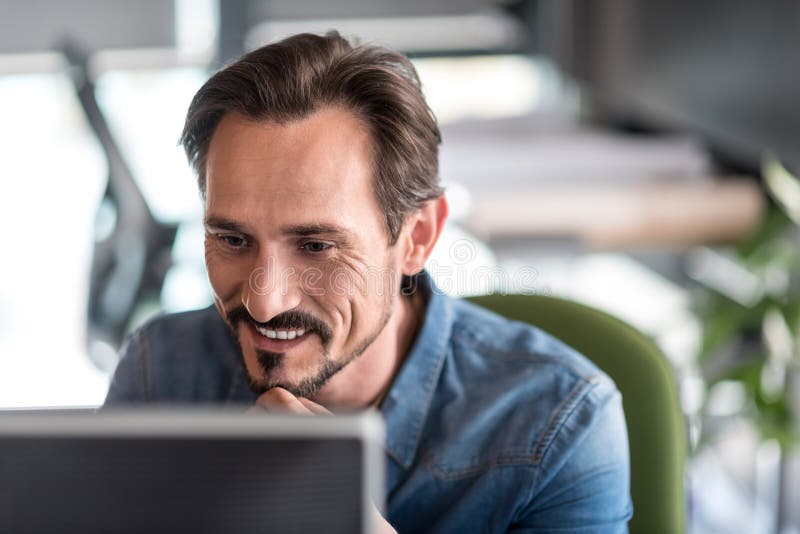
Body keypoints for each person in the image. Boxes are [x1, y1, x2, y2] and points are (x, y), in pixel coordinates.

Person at [105, 31, 633, 533]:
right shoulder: (161, 372)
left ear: (417, 238)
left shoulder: (558, 425)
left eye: (316, 246)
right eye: (233, 239)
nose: (265, 303)